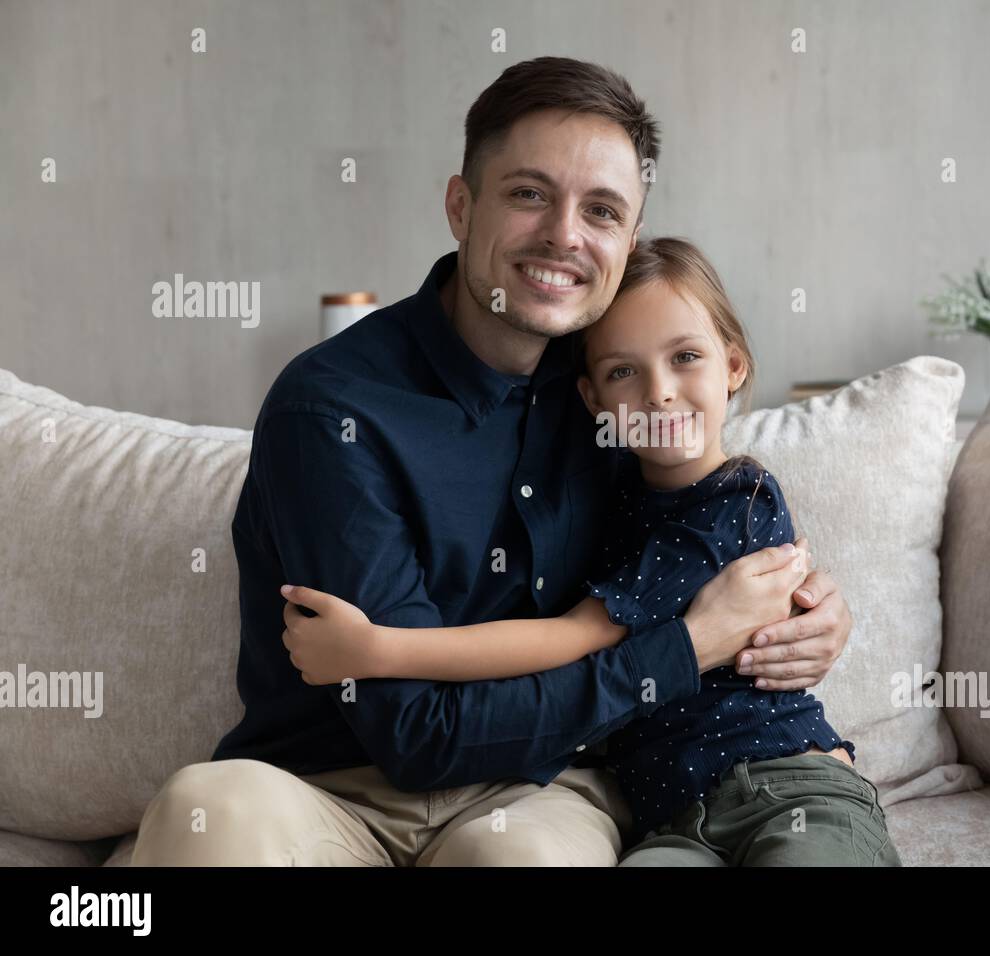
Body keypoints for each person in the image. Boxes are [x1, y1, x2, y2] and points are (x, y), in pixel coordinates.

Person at [131, 57, 856, 867]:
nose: (564, 236)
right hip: (331, 788)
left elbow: (703, 524)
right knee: (207, 812)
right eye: (529, 194)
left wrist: (810, 610)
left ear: (626, 242)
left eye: (603, 211)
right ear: (461, 206)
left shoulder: (618, 389)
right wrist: (689, 647)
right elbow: (412, 734)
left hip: (542, 790)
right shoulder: (332, 410)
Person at [280, 237, 900, 866]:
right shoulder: (615, 494)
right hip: (676, 818)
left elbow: (569, 637)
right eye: (623, 372)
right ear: (592, 397)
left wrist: (379, 648)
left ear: (733, 366)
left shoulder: (736, 504)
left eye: (686, 357)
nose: (659, 392)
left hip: (790, 784)